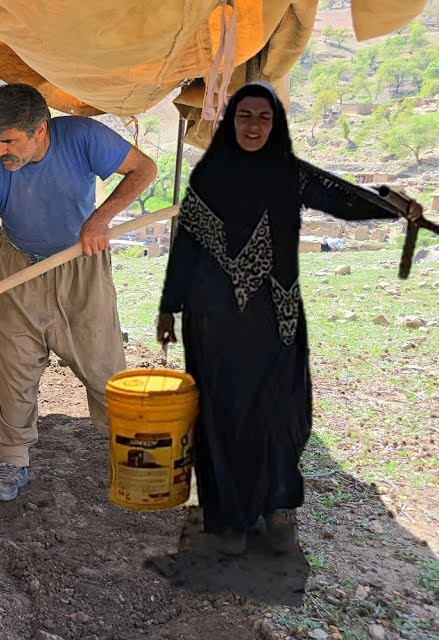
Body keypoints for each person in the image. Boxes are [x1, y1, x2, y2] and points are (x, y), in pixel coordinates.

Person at [155, 82, 421, 556]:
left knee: (279, 410)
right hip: (211, 325)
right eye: (244, 116)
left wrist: (389, 203)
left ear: (274, 124)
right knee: (220, 416)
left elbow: (341, 198)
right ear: (231, 121)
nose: (253, 125)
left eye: (263, 117)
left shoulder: (289, 175)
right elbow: (185, 250)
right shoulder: (207, 179)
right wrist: (168, 306)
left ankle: (279, 507)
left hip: (273, 322)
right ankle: (229, 519)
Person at [0, 83, 157, 502]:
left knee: (103, 366)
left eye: (9, 141)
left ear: (40, 130)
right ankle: (13, 459)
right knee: (16, 368)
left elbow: (144, 169)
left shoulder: (83, 137)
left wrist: (100, 219)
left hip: (80, 263)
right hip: (16, 267)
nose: (0, 150)